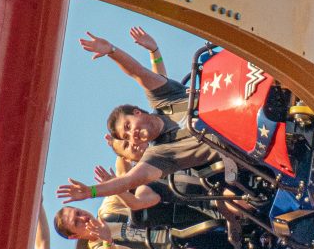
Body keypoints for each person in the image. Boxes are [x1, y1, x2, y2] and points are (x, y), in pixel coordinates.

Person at [57, 26, 221, 209]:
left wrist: (112, 51)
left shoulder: (163, 99)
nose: (132, 135)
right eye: (126, 137)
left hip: (236, 104)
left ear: (137, 112)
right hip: (239, 149)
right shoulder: (159, 154)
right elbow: (129, 180)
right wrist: (92, 191)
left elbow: (139, 73)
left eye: (127, 127)